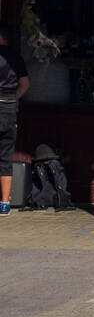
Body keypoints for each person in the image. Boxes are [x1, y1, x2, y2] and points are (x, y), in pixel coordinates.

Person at [0, 21, 30, 216]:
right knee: (5, 157)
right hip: (9, 109)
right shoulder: (16, 58)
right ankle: (4, 204)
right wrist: (13, 99)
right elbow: (25, 84)